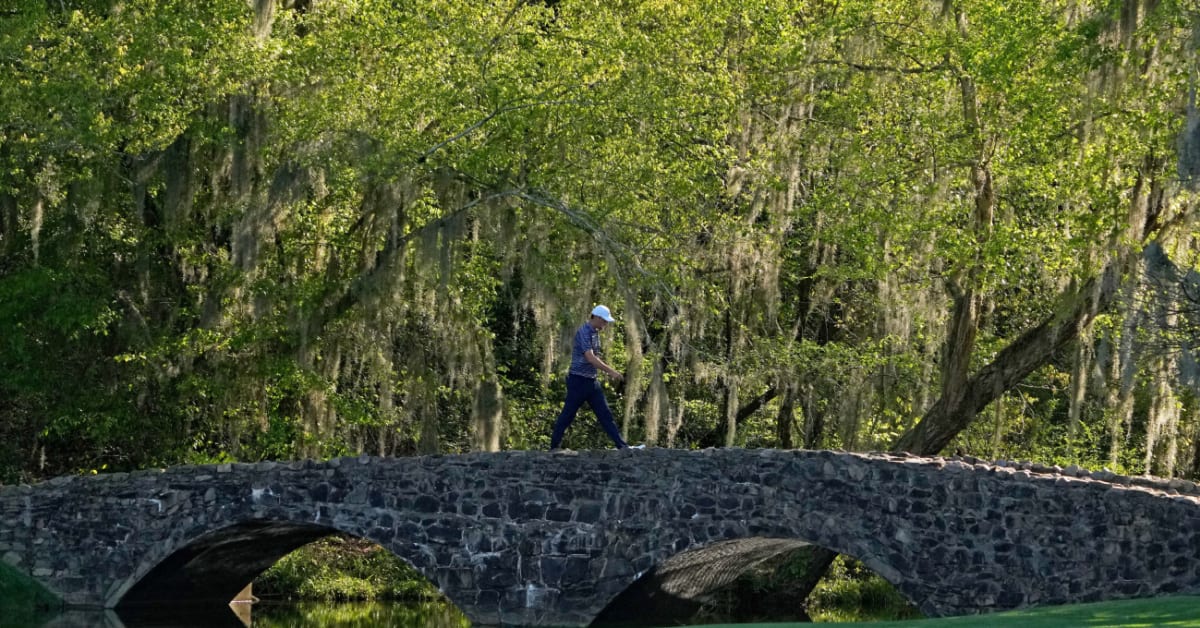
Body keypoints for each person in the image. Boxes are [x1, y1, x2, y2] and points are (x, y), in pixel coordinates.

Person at [550, 305, 632, 450]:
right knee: (568, 414)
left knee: (605, 414)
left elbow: (595, 358)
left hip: (591, 381)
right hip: (578, 380)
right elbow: (590, 357)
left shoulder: (595, 333)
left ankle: (621, 445)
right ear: (597, 317)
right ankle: (554, 446)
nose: (605, 324)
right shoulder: (584, 332)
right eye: (604, 321)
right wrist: (611, 372)